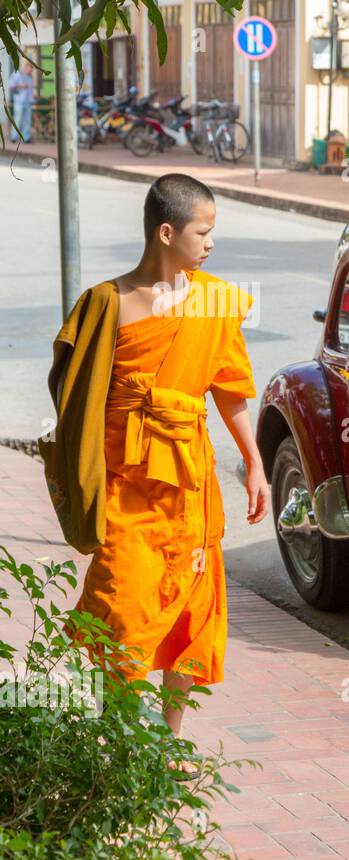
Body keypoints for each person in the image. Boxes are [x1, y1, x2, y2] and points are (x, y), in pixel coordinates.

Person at [41, 174, 271, 779]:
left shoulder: (215, 301)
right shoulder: (105, 303)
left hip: (187, 487)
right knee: (122, 603)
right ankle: (116, 742)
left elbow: (232, 390)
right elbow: (73, 393)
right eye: (204, 232)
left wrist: (253, 460)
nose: (211, 244)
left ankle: (167, 747)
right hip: (124, 488)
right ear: (166, 233)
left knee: (189, 611)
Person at [7, 60, 37, 143]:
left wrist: (33, 97)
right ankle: (14, 137)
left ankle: (26, 138)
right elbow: (10, 85)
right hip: (19, 101)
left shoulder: (30, 76)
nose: (31, 71)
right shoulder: (17, 73)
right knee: (17, 119)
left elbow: (30, 89)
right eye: (30, 69)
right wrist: (21, 86)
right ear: (26, 67)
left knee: (27, 120)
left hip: (28, 101)